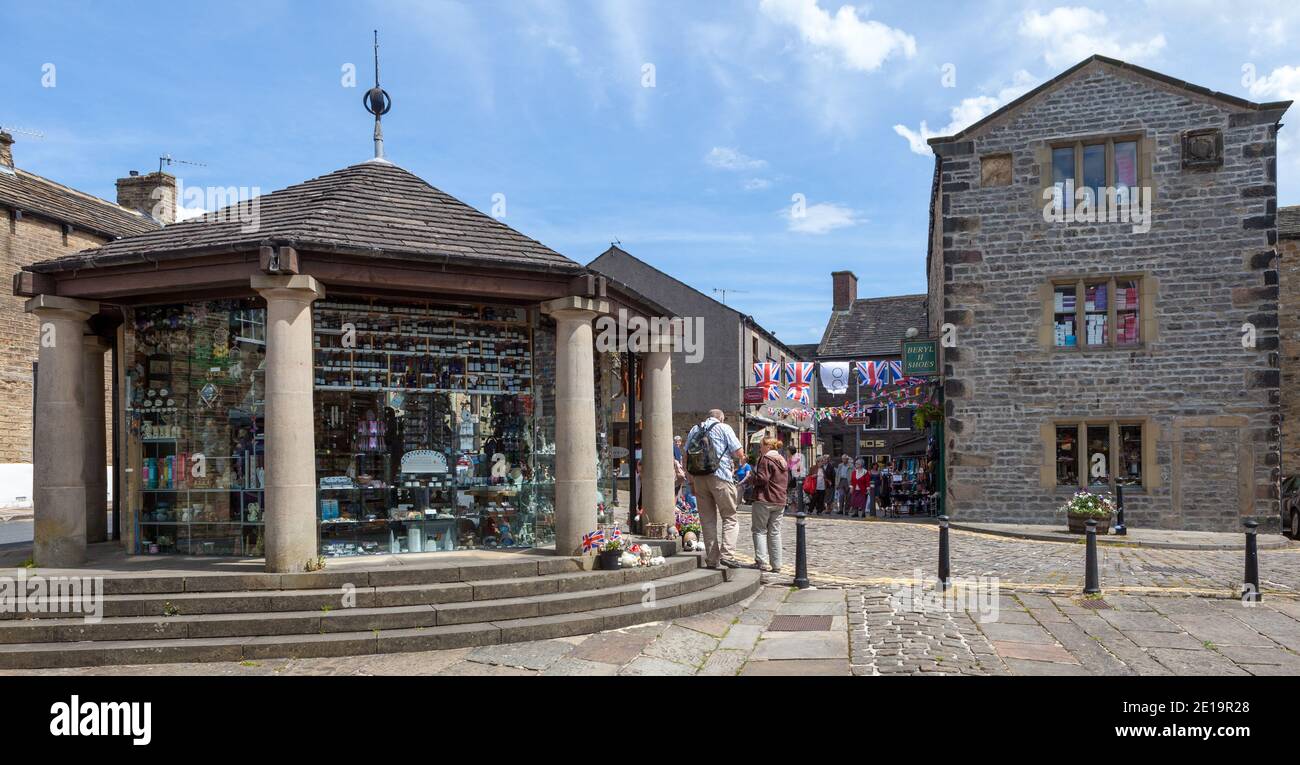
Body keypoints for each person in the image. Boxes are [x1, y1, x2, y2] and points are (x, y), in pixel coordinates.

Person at [685, 409, 745, 569]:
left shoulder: (694, 429)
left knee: (707, 520)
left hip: (698, 478)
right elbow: (739, 452)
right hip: (721, 477)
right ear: (721, 419)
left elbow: (686, 457)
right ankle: (728, 555)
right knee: (730, 517)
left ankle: (712, 559)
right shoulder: (724, 428)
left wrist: (691, 483)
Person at [750, 437, 788, 575]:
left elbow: (762, 479)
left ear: (768, 447)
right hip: (779, 500)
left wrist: (750, 478)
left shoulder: (765, 459)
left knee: (759, 530)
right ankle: (777, 564)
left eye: (761, 446)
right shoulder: (782, 460)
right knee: (775, 532)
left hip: (764, 499)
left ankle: (762, 562)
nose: (760, 449)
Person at [786, 445, 806, 513]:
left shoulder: (799, 457)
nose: (786, 452)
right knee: (791, 495)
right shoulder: (789, 458)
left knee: (797, 495)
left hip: (797, 479)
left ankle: (800, 509)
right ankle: (793, 510)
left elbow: (798, 468)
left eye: (787, 450)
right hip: (791, 479)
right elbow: (788, 467)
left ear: (790, 451)